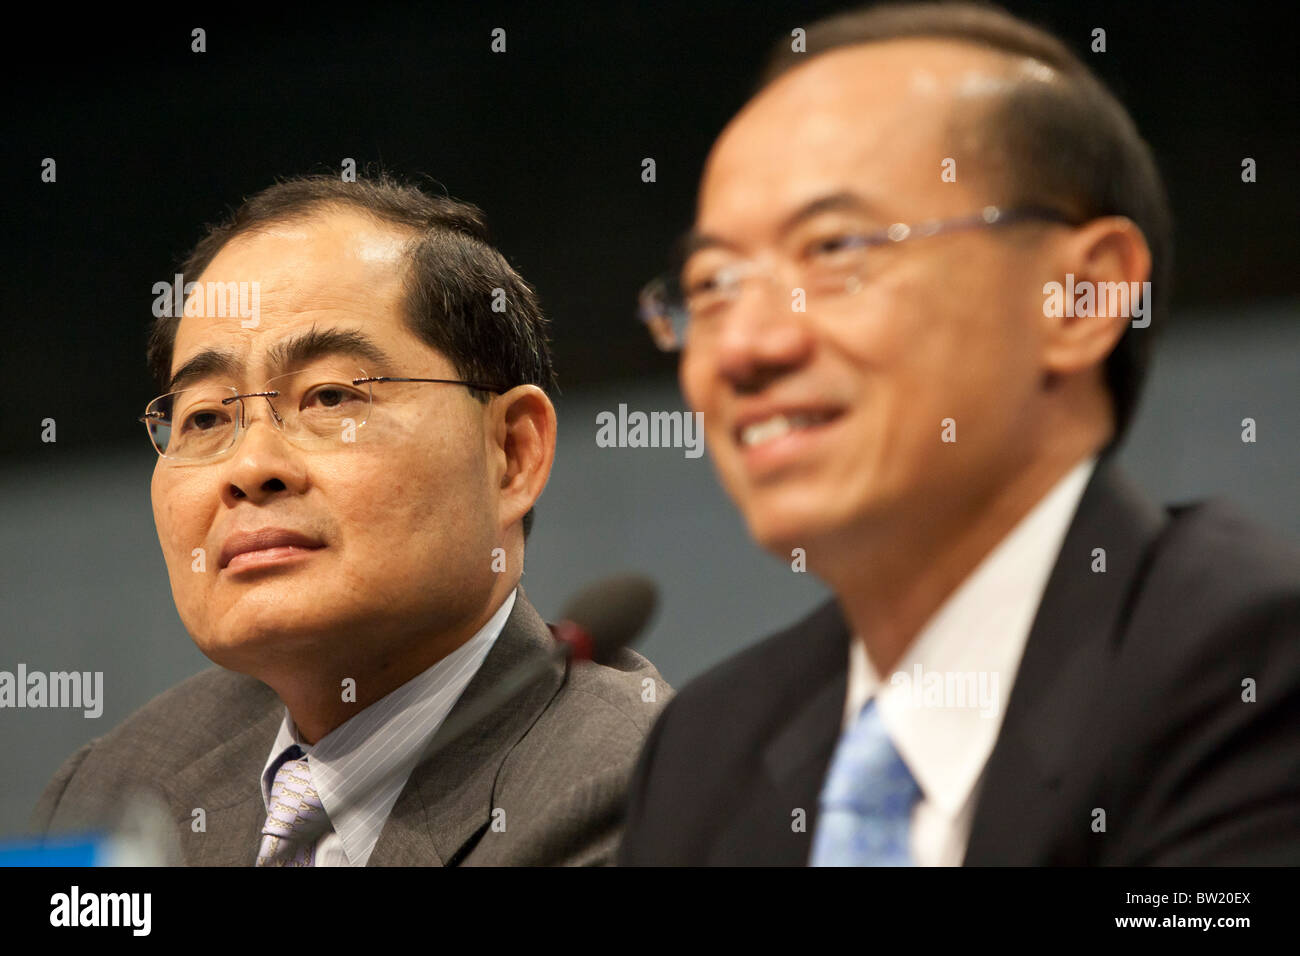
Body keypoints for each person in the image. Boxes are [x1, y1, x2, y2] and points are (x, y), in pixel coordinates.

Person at [620, 3, 1299, 865]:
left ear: (1080, 297)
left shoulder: (1248, 663)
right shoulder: (704, 754)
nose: (749, 347)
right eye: (713, 282)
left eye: (834, 249)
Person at [31, 174, 670, 866]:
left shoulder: (646, 793)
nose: (250, 467)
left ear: (512, 453)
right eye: (207, 417)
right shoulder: (112, 790)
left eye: (330, 397)